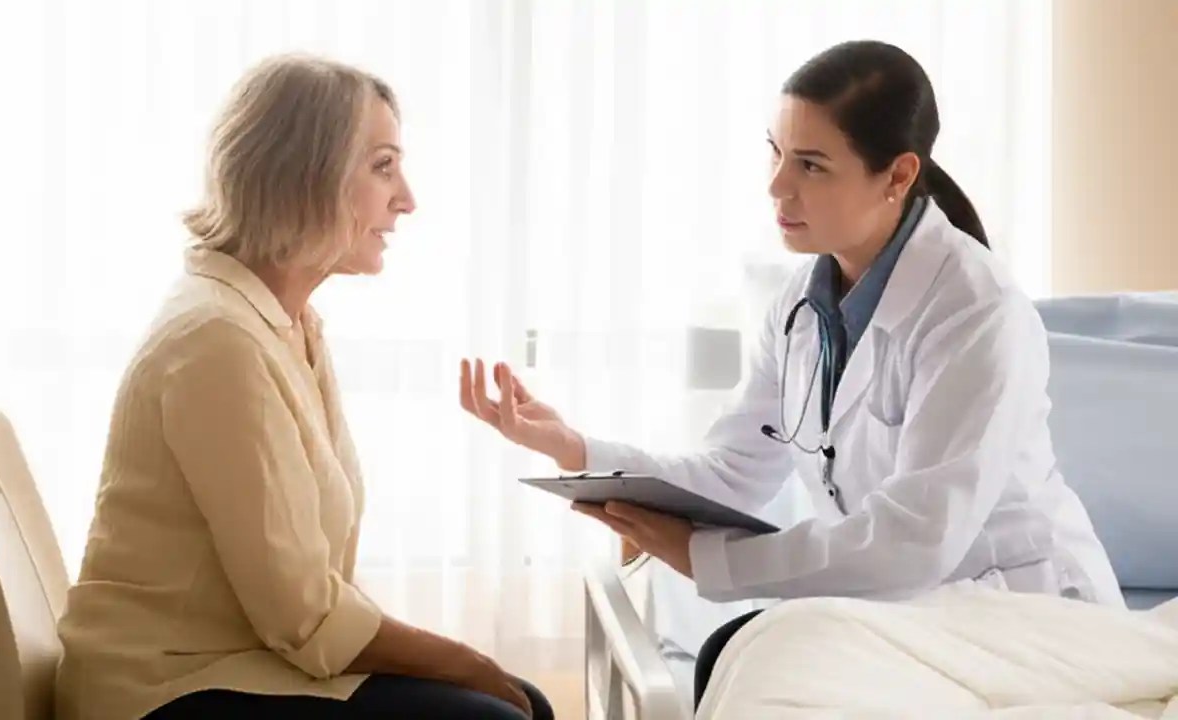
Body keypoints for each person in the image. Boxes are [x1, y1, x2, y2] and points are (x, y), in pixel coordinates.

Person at [460, 40, 1123, 709]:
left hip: (1023, 618)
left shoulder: (976, 313)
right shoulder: (802, 302)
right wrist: (576, 450)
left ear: (896, 176)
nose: (777, 185)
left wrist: (708, 559)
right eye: (775, 152)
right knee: (745, 653)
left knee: (755, 656)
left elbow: (916, 539)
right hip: (912, 613)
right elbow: (736, 472)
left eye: (810, 165)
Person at [55, 54, 551, 720]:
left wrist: (471, 669)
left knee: (522, 706)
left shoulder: (288, 325)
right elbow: (304, 613)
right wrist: (469, 662)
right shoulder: (217, 341)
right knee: (503, 713)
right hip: (164, 691)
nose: (406, 198)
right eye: (383, 167)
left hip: (239, 662)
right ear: (303, 178)